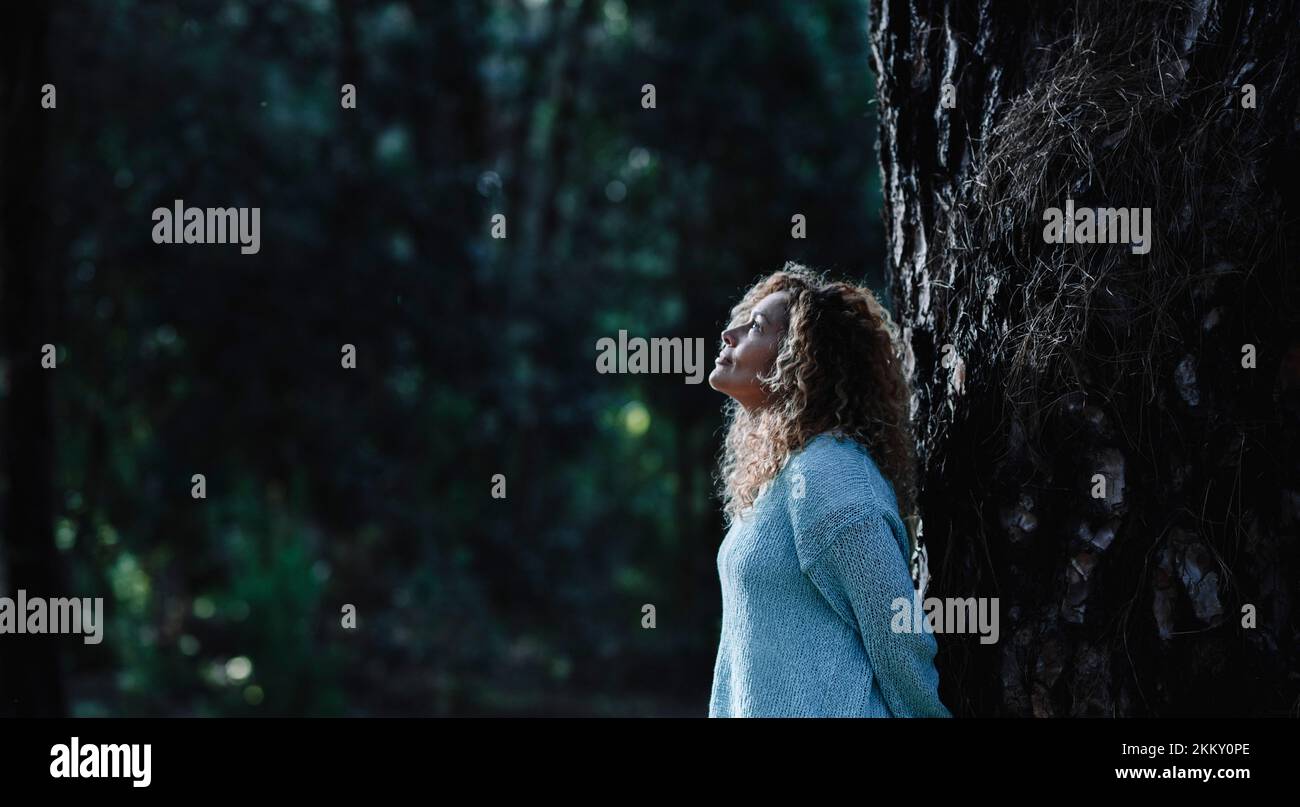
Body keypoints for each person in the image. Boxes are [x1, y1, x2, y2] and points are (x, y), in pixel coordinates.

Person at [706, 262, 950, 717]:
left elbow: (897, 633)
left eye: (756, 326)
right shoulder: (783, 476)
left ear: (801, 359)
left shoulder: (830, 472)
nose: (729, 334)